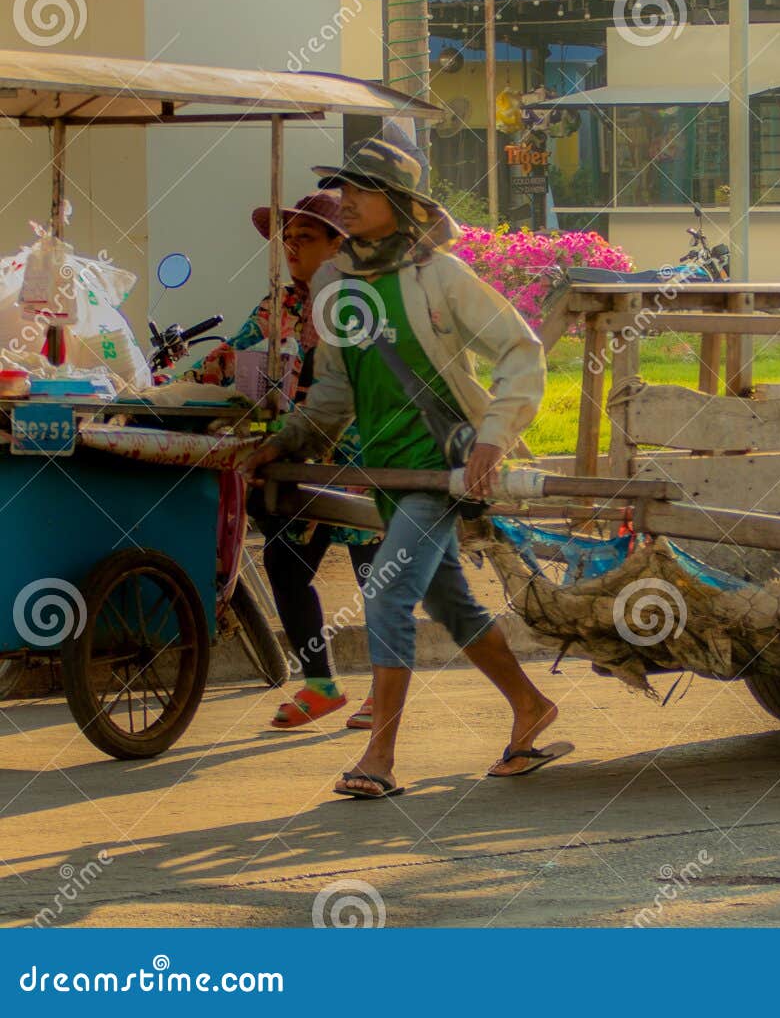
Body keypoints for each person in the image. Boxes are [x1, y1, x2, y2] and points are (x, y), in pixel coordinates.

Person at [242, 138, 561, 800]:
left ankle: (379, 756)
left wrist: (494, 440)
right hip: (387, 470)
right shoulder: (333, 283)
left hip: (441, 463)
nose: (347, 201)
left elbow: (520, 349)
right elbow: (333, 390)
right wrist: (288, 438)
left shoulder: (439, 276)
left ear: (402, 205)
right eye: (345, 189)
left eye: (362, 191)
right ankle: (531, 706)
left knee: (388, 591)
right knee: (450, 600)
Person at [186, 192, 382, 730]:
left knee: (375, 574)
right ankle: (320, 683)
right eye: (288, 239)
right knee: (284, 563)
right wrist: (175, 386)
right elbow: (235, 354)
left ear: (338, 244)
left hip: (361, 456)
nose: (292, 248)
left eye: (306, 238)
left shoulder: (359, 302)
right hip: (296, 455)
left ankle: (386, 696)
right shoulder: (281, 304)